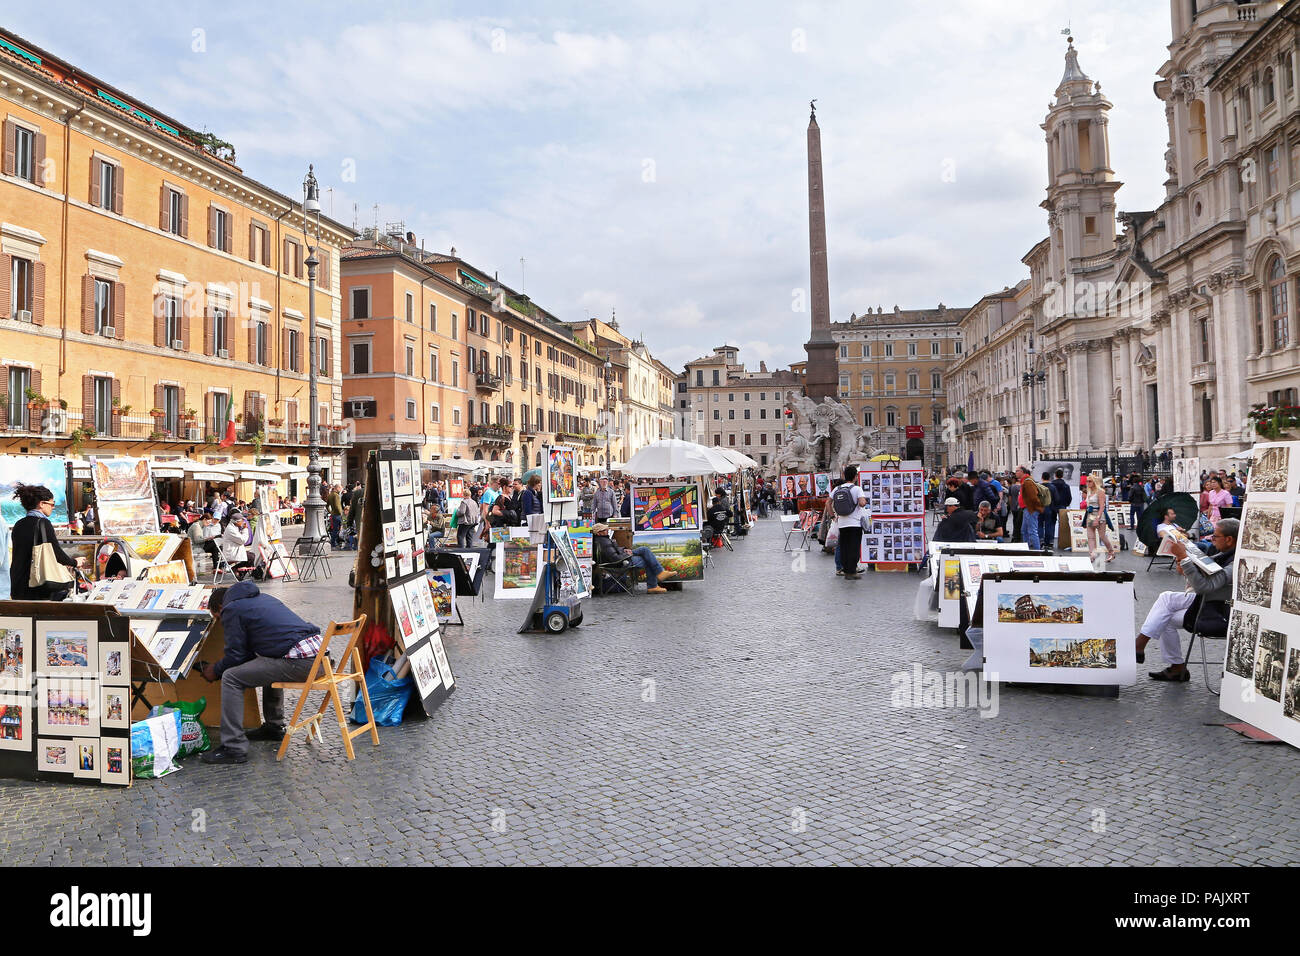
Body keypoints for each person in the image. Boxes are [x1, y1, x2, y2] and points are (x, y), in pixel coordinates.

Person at [197, 582, 326, 764]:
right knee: (266, 660)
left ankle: (233, 747)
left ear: (220, 607)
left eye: (218, 618)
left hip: (303, 663)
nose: (220, 622)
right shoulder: (262, 599)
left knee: (231, 677)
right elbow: (250, 653)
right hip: (321, 660)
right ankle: (273, 726)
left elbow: (236, 656)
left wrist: (215, 670)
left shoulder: (231, 609)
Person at [1135, 518, 1238, 681]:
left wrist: (1184, 558)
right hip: (1207, 602)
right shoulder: (1221, 552)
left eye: (1215, 536)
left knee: (1166, 598)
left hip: (1218, 609)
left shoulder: (1236, 563)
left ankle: (1139, 645)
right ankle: (1175, 667)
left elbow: (1204, 587)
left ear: (1229, 539)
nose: (1211, 539)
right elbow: (1203, 579)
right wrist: (1185, 566)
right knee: (1164, 618)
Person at [10, 484, 82, 600]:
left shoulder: (18, 524)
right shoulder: (43, 523)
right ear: (42, 504)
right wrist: (74, 562)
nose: (53, 507)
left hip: (17, 583)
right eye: (52, 504)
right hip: (37, 584)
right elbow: (56, 553)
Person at [591, 522, 672, 594]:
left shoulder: (603, 540)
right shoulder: (604, 542)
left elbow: (614, 552)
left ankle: (658, 577)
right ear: (599, 533)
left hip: (622, 558)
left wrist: (625, 550)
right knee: (647, 559)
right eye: (604, 530)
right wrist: (627, 555)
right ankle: (654, 583)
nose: (607, 531)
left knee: (644, 550)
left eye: (606, 529)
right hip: (621, 563)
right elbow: (615, 559)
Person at [831, 465, 869, 579]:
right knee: (854, 547)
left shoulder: (837, 489)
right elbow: (862, 503)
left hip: (842, 523)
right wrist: (863, 501)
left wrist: (833, 516)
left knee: (844, 547)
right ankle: (852, 572)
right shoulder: (857, 489)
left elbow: (828, 502)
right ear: (855, 477)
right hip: (854, 523)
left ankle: (846, 570)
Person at [1084, 474, 1116, 562]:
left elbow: (1102, 506)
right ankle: (1092, 555)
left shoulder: (1100, 491)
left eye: (1090, 481)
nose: (1087, 483)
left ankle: (1111, 552)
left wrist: (1097, 518)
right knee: (1090, 537)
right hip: (1090, 515)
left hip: (1099, 515)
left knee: (1102, 536)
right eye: (1087, 481)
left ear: (1094, 482)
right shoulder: (1089, 491)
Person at [1015, 466, 1043, 549]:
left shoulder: (1027, 482)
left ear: (1022, 472)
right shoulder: (1025, 481)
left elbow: (1033, 497)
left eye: (1017, 471)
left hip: (1030, 509)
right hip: (1027, 509)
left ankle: (1037, 550)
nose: (1016, 473)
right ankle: (1026, 548)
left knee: (1032, 531)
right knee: (1025, 530)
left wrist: (1035, 508)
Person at [219, 511, 255, 576]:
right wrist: (245, 529)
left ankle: (239, 572)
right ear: (237, 521)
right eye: (242, 520)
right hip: (232, 554)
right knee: (251, 557)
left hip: (235, 551)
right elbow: (243, 540)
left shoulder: (234, 527)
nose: (243, 522)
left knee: (251, 555)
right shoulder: (231, 529)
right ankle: (237, 571)